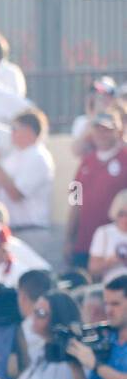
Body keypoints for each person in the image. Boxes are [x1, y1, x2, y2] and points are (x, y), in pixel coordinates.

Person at [0, 109, 55, 264]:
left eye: (15, 128)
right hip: (13, 230)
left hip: (31, 231)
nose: (12, 133)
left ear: (29, 130)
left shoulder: (38, 157)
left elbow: (16, 194)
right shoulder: (13, 156)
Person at [67, 109, 127, 273]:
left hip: (114, 249)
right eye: (98, 129)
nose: (102, 134)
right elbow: (74, 200)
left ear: (119, 130)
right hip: (84, 242)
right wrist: (69, 238)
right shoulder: (86, 160)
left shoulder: (125, 157)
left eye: (107, 129)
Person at [88, 189, 127, 284]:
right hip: (109, 287)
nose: (125, 218)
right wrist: (110, 261)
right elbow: (92, 269)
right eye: (121, 214)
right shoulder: (104, 233)